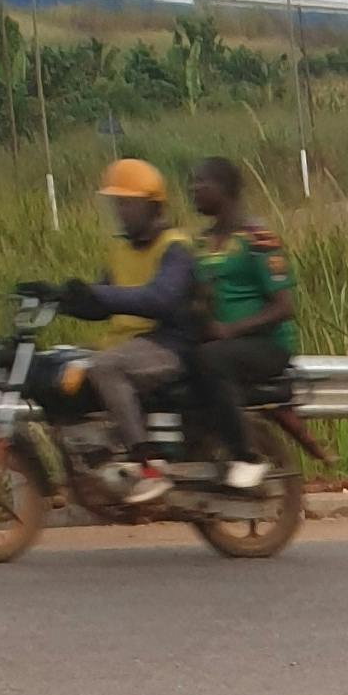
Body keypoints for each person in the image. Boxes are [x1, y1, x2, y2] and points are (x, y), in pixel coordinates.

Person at [54, 157, 200, 507]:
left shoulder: (175, 248)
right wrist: (61, 298)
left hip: (169, 343)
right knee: (61, 364)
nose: (121, 212)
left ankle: (149, 466)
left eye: (128, 204)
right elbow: (101, 303)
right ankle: (101, 457)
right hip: (128, 344)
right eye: (116, 204)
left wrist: (100, 294)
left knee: (106, 366)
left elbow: (162, 298)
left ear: (152, 205)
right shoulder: (120, 249)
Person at [184, 156, 297, 489]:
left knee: (211, 358)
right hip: (221, 345)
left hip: (266, 345)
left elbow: (283, 307)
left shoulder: (258, 239)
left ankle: (245, 454)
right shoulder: (201, 243)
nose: (194, 190)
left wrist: (228, 330)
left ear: (226, 189)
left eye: (201, 183)